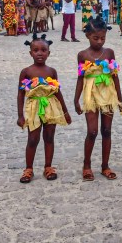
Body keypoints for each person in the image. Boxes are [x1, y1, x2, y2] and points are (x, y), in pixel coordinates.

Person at [74, 16, 122, 181]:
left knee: (107, 131)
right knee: (92, 131)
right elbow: (80, 78)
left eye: (103, 38)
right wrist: (76, 100)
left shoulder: (109, 53)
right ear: (87, 35)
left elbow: (115, 76)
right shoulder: (82, 55)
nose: (100, 41)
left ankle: (105, 166)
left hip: (108, 94)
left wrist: (120, 99)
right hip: (90, 95)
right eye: (96, 38)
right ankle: (86, 165)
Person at [17, 34, 72, 183]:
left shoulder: (52, 71)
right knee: (33, 138)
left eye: (43, 50)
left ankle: (48, 167)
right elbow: (21, 94)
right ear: (30, 53)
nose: (39, 53)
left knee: (49, 137)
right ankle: (28, 168)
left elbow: (57, 91)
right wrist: (20, 115)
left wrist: (65, 112)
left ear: (49, 52)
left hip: (50, 106)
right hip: (34, 107)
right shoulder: (26, 72)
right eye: (36, 50)